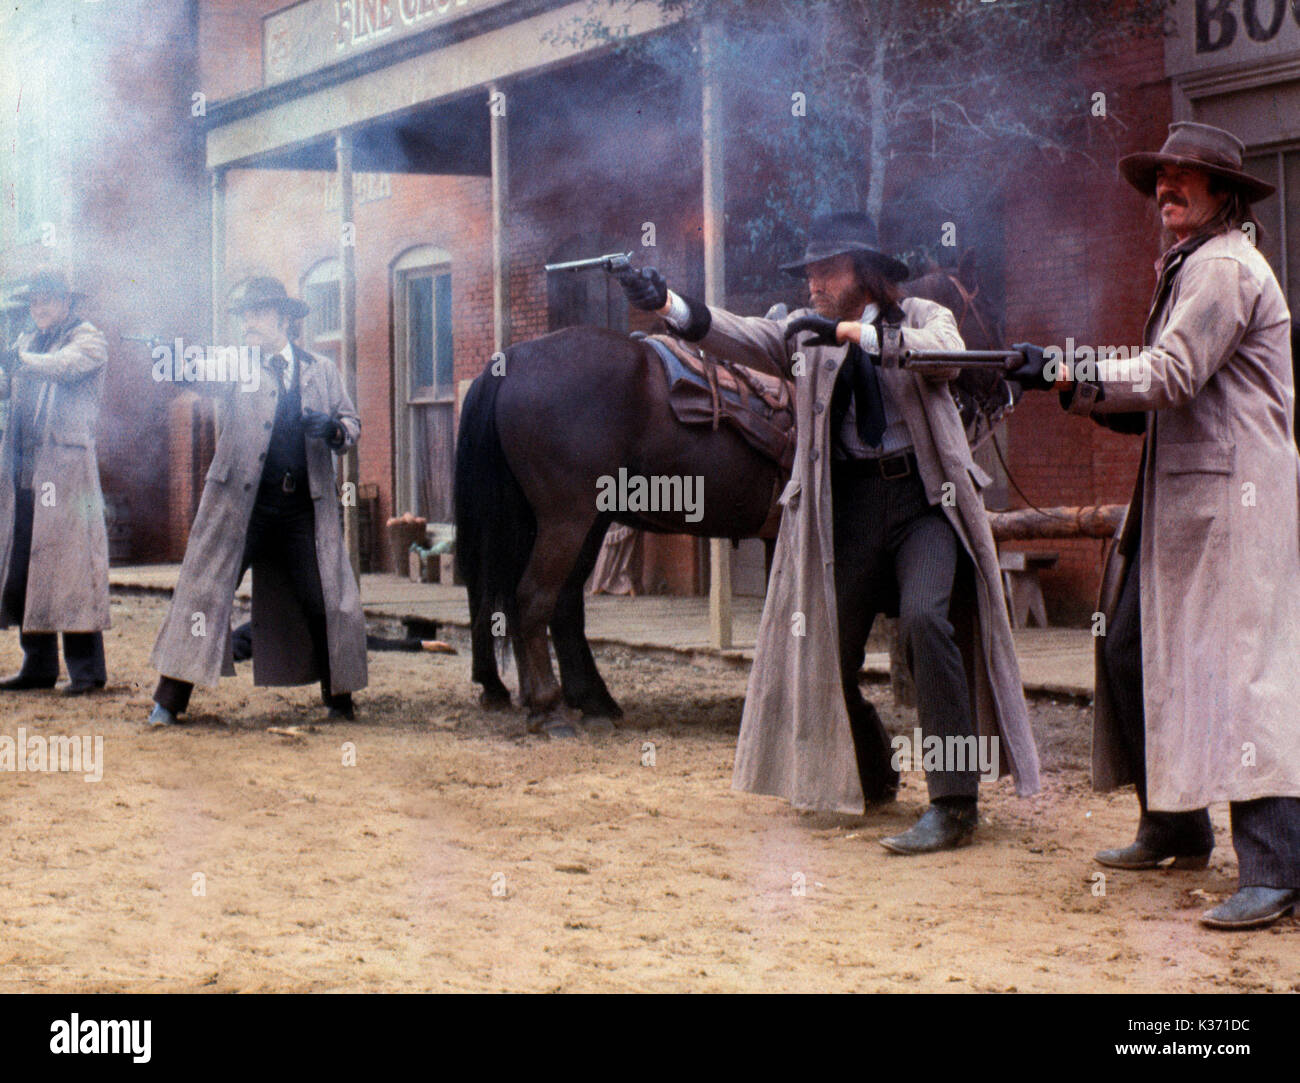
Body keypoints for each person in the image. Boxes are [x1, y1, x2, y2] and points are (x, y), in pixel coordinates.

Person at [617, 211, 1040, 852]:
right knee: (818, 648)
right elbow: (737, 334)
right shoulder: (802, 332)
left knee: (927, 622)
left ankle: (955, 804)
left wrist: (851, 334)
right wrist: (669, 303)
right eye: (808, 272)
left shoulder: (923, 316)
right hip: (853, 508)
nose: (812, 281)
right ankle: (874, 769)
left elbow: (944, 360)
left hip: (927, 501)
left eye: (825, 270)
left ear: (864, 273)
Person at [1018, 122, 1300, 928]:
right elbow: (1165, 395)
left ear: (1225, 195)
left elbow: (1171, 374)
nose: (1168, 189)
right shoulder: (1189, 264)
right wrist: (1070, 380)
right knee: (1128, 646)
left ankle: (1278, 869)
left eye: (1187, 178)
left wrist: (1073, 369)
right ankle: (1175, 822)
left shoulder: (1220, 267)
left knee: (1251, 678)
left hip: (1238, 498)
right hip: (1189, 495)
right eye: (1164, 177)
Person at [148, 277, 367, 726]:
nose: (248, 321)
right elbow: (192, 372)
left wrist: (333, 429)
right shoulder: (236, 365)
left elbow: (350, 423)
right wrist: (167, 355)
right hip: (240, 509)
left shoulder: (320, 370)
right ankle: (167, 702)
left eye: (258, 313)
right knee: (206, 591)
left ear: (285, 320)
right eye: (244, 313)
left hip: (302, 509)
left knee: (324, 597)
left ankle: (340, 700)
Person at [0, 270, 110, 695]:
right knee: (28, 568)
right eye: (34, 302)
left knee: (73, 570)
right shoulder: (28, 342)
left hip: (67, 473)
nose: (39, 308)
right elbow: (7, 386)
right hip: (25, 474)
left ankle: (87, 672)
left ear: (67, 302)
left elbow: (63, 369)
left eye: (48, 300)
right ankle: (38, 666)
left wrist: (19, 360)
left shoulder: (89, 340)